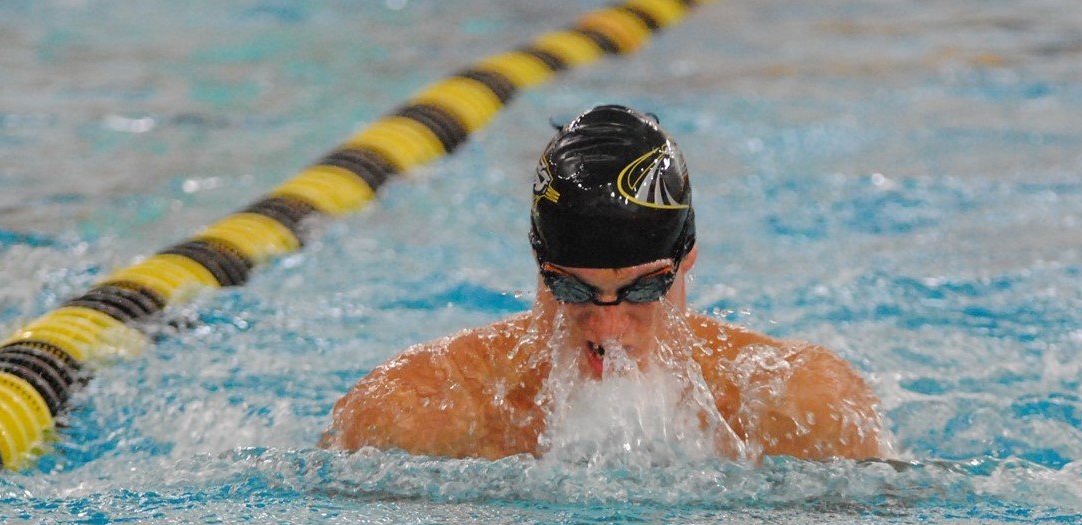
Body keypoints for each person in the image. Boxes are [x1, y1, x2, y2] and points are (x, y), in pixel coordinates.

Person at [320, 104, 883, 462]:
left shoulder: (798, 405)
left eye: (642, 290)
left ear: (687, 261)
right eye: (573, 291)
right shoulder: (415, 410)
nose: (608, 329)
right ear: (540, 267)